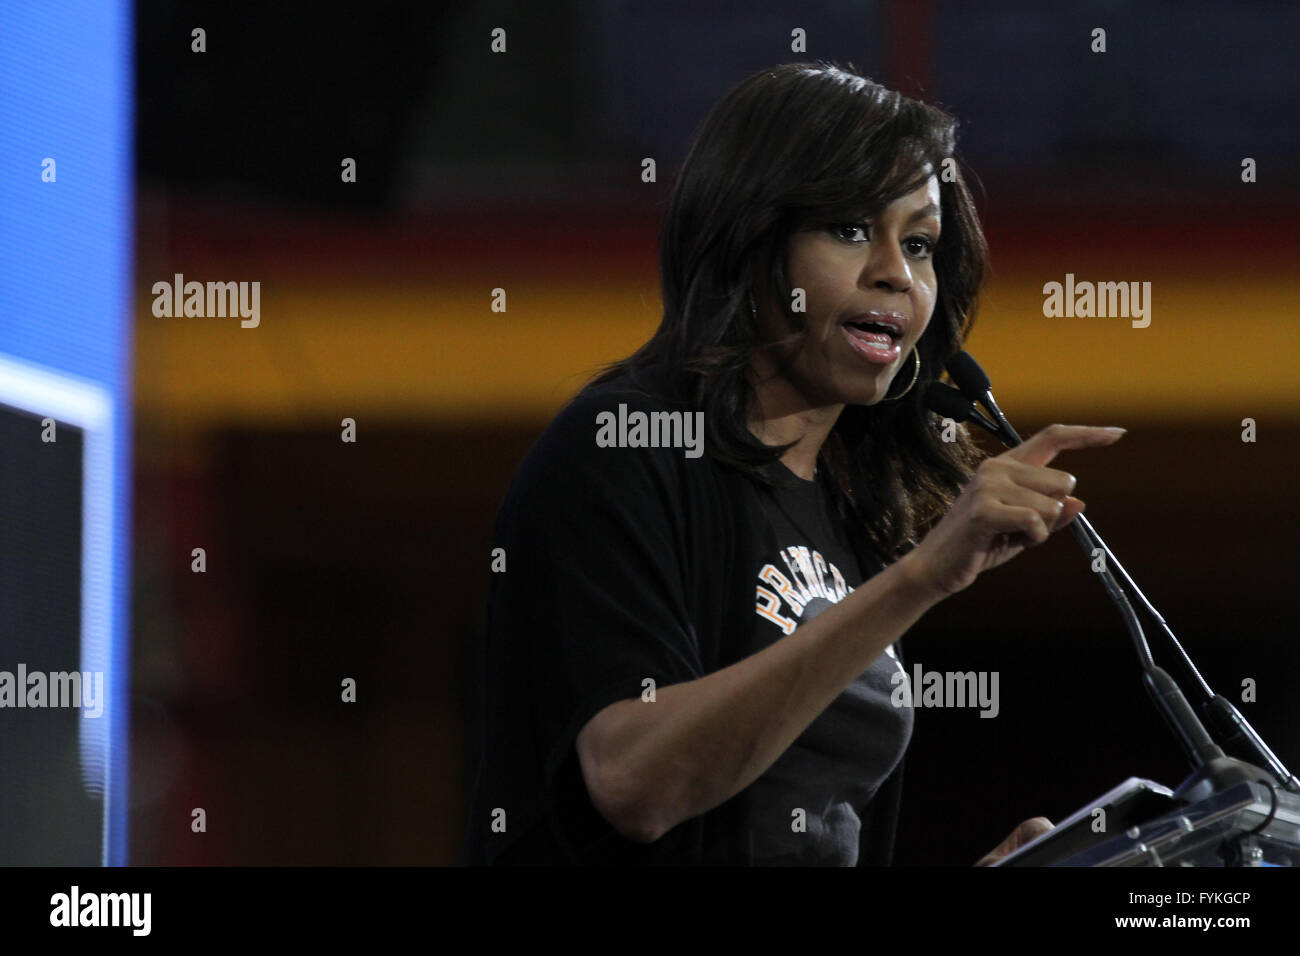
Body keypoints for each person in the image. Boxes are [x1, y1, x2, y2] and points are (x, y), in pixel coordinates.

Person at [460, 61, 1125, 866]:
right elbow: (633, 783)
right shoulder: (624, 446)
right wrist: (918, 580)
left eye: (919, 243)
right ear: (750, 236)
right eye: (849, 228)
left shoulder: (848, 511)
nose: (896, 273)